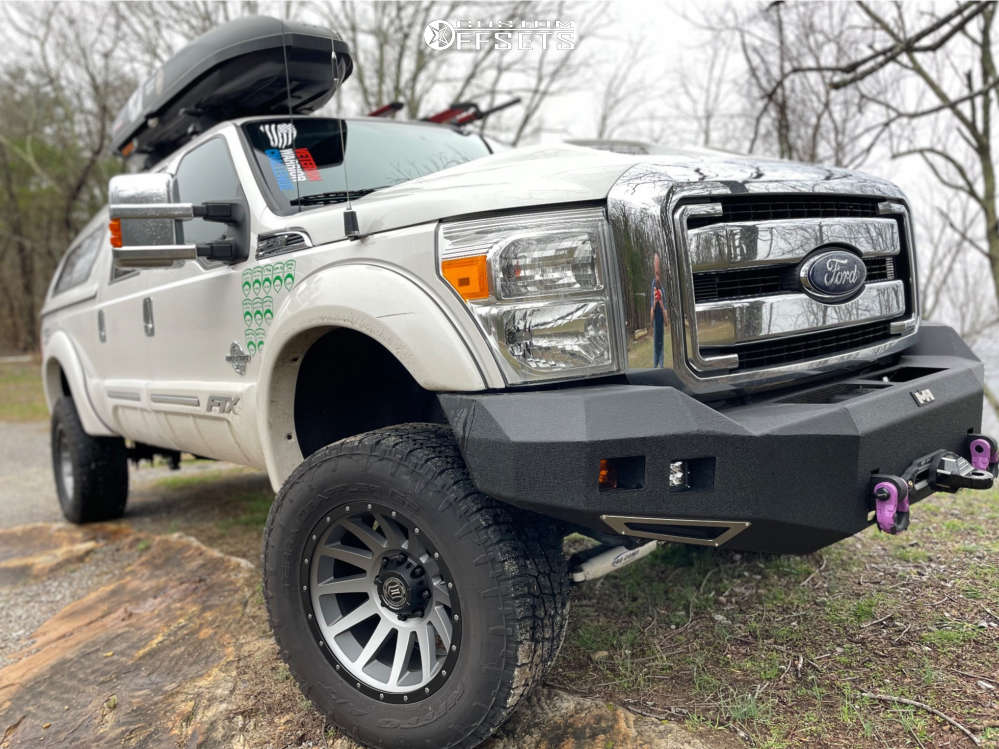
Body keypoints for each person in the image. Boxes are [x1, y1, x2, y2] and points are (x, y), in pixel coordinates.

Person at [650, 254, 667, 368]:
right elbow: (651, 320)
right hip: (657, 324)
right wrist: (655, 303)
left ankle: (660, 365)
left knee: (660, 345)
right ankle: (656, 365)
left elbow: (666, 322)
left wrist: (660, 304)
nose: (657, 275)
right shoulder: (653, 286)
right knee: (656, 346)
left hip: (660, 323)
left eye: (658, 273)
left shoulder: (662, 290)